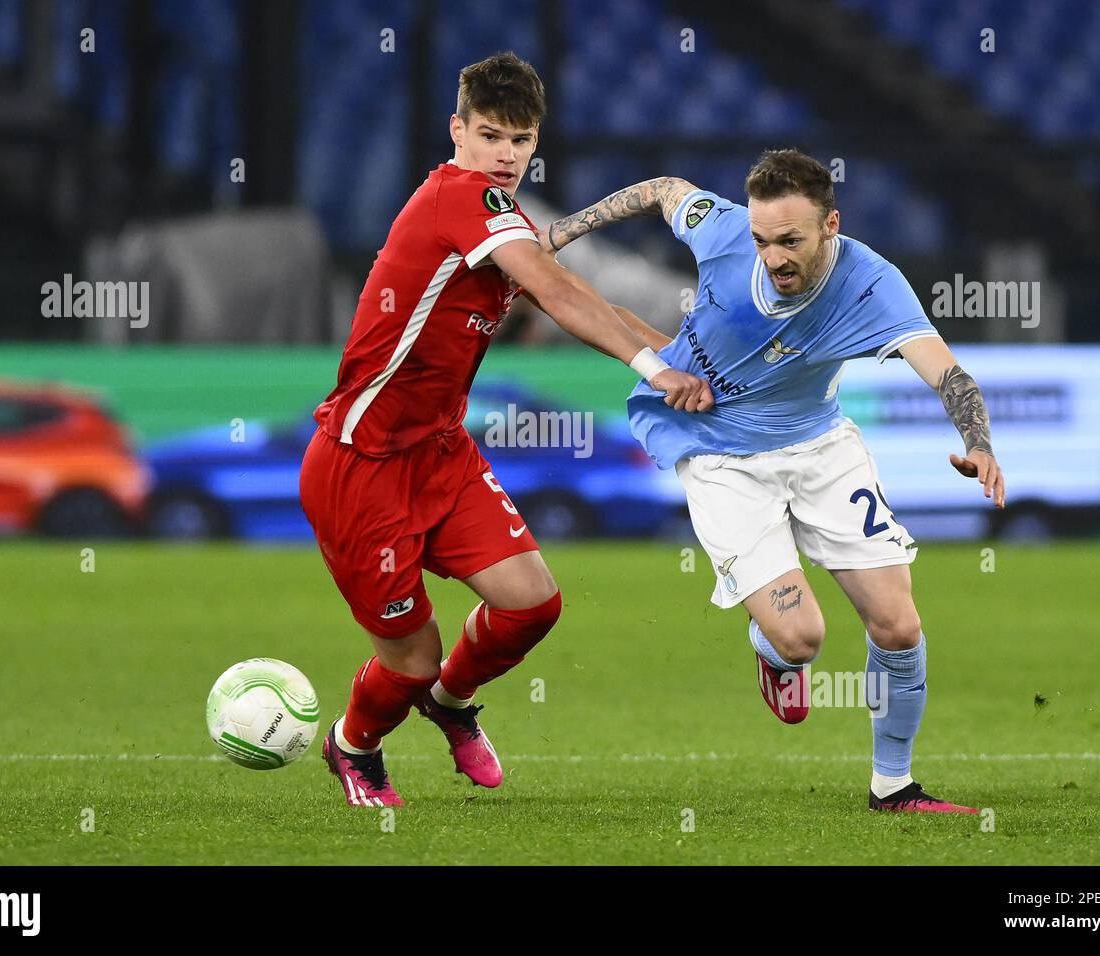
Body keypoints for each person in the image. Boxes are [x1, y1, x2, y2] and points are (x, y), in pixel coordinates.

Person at [299, 52, 712, 807]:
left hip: (440, 450)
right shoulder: (460, 197)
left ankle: (452, 706)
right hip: (362, 464)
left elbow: (582, 296)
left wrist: (690, 362)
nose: (505, 155)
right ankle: (352, 746)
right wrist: (655, 372)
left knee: (531, 601)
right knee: (411, 658)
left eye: (520, 141)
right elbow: (554, 291)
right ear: (456, 132)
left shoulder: (503, 220)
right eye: (489, 135)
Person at [543, 149, 1005, 813]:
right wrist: (561, 232)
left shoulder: (874, 286)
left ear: (830, 227)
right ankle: (776, 655)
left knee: (899, 625)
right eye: (763, 241)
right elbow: (663, 189)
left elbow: (948, 373)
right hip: (717, 451)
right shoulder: (724, 228)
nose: (773, 257)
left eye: (790, 241)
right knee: (802, 638)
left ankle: (894, 787)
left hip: (818, 446)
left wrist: (978, 442)